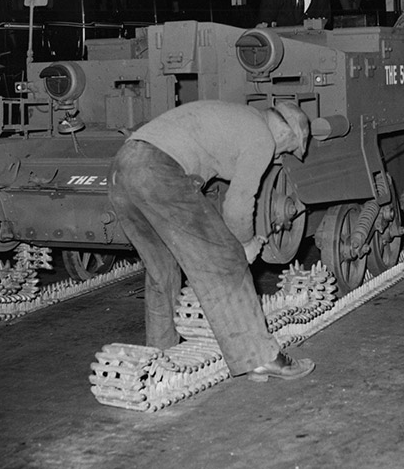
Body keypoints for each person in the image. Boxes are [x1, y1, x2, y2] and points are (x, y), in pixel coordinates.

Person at [108, 100, 316, 382]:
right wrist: (245, 245)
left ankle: (161, 356)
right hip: (158, 171)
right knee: (226, 261)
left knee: (162, 271)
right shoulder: (262, 137)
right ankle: (261, 358)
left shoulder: (236, 116)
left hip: (122, 168)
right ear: (285, 133)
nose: (278, 155)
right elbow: (238, 205)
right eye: (287, 148)